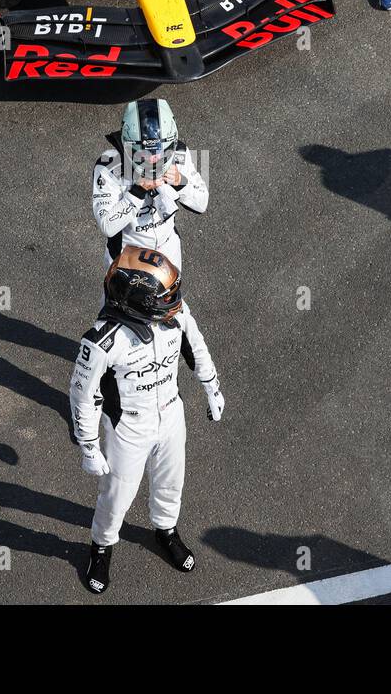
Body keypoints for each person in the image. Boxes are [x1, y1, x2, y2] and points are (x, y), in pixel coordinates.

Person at [69, 246, 225, 594]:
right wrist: (89, 445)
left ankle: (165, 530)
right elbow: (83, 394)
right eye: (166, 297)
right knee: (116, 496)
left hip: (171, 415)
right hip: (128, 427)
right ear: (137, 302)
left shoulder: (177, 314)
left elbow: (195, 347)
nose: (175, 303)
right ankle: (101, 547)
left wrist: (212, 386)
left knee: (172, 483)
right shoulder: (102, 341)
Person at [91, 98, 208, 272]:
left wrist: (180, 182)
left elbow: (202, 203)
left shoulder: (180, 152)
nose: (154, 159)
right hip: (127, 255)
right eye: (144, 153)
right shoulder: (108, 165)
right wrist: (137, 191)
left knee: (172, 299)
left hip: (168, 249)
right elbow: (107, 225)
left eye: (160, 151)